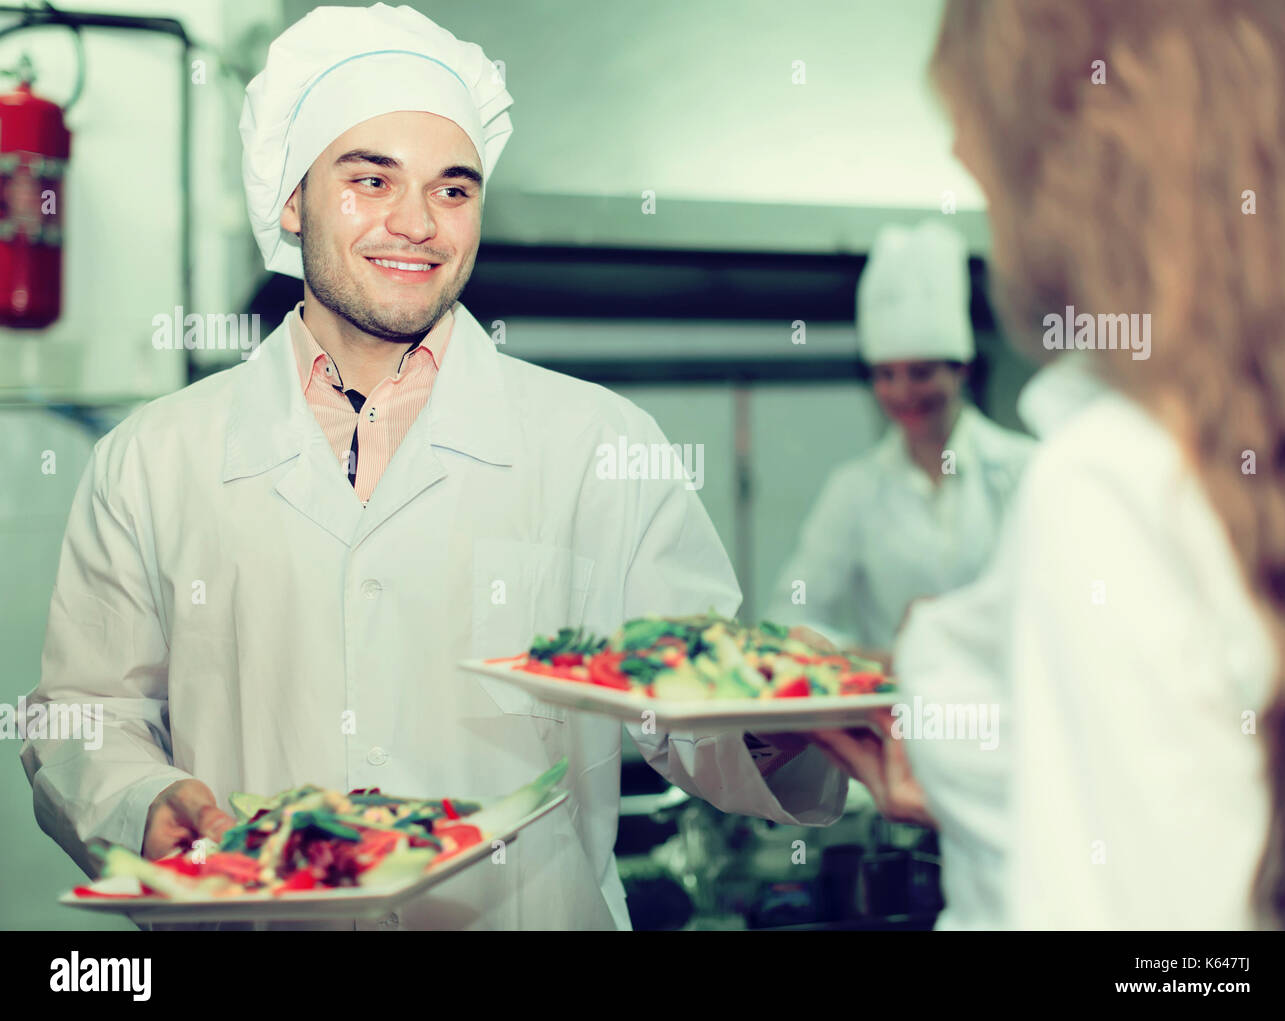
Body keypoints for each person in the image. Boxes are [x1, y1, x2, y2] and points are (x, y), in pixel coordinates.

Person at [19, 3, 846, 931]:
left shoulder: (598, 443)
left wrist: (777, 719)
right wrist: (143, 802)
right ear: (291, 200)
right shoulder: (153, 459)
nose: (416, 223)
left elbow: (693, 707)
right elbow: (83, 716)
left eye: (453, 191)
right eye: (370, 179)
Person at [813, 0, 1285, 930]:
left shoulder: (1101, 481)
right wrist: (972, 791)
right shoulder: (1201, 441)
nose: (960, 150)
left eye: (990, 134)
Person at [767, 220, 1034, 652]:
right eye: (885, 375)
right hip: (896, 711)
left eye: (921, 373)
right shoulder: (854, 489)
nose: (902, 392)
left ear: (961, 369)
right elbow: (789, 615)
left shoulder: (1024, 469)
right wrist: (871, 657)